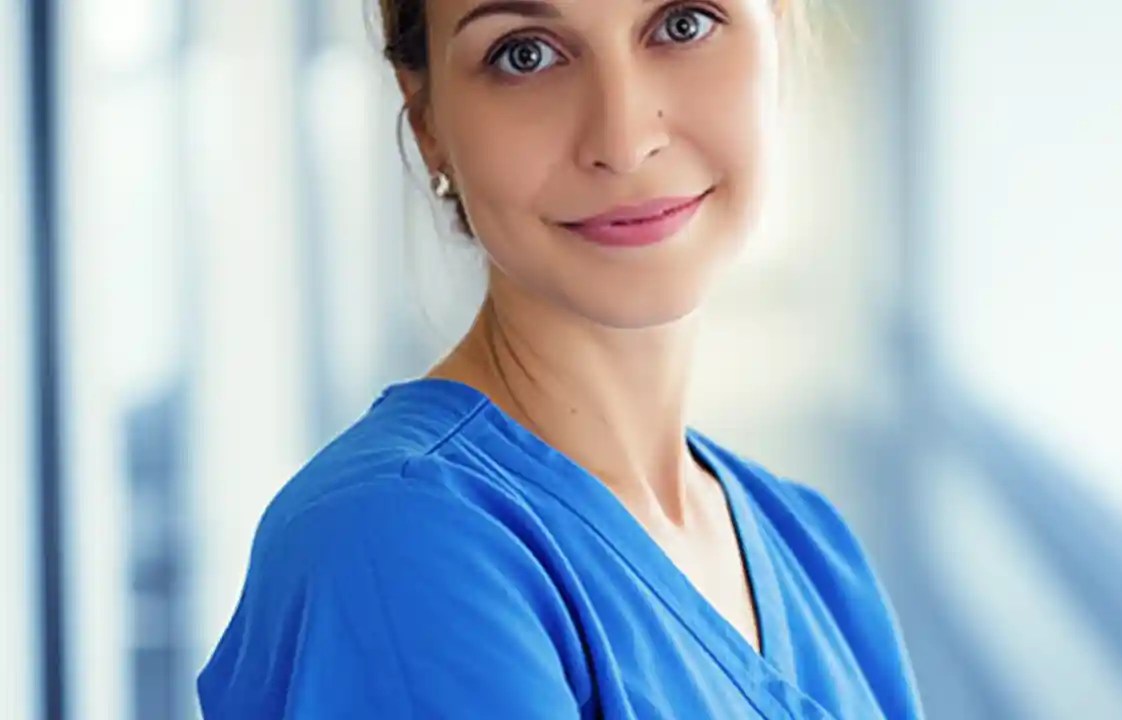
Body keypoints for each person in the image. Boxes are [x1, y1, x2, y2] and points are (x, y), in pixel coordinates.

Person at [196, 0, 925, 717]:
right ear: (428, 123)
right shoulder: (397, 549)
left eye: (683, 24)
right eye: (525, 53)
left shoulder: (815, 552)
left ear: (778, 31)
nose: (624, 136)